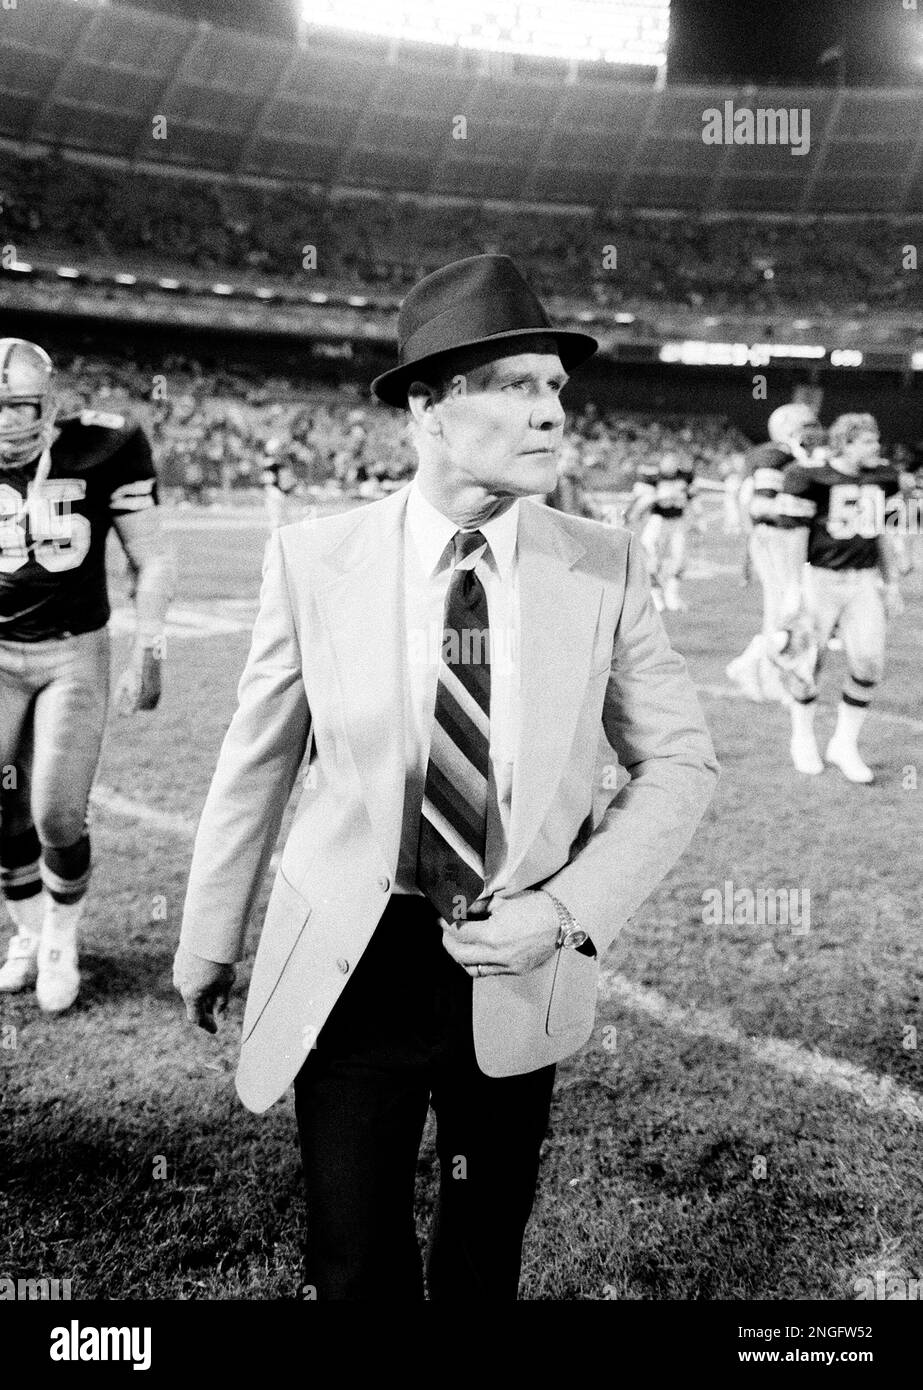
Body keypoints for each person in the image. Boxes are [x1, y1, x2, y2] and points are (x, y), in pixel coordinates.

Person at [173, 254, 718, 1301]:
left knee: (481, 1257)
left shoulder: (602, 560)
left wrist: (562, 911)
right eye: (516, 384)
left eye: (556, 387)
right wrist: (207, 936)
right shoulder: (314, 557)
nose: (551, 411)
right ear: (428, 404)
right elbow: (256, 763)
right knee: (351, 1256)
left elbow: (680, 760)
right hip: (351, 956)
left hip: (516, 954)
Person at [0, 339, 174, 1011]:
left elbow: (151, 556)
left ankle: (60, 939)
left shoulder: (105, 444)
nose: (9, 421)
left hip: (73, 650)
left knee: (56, 812)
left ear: (50, 404)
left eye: (21, 405)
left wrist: (150, 648)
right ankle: (29, 932)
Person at [774, 413, 904, 782]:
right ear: (845, 442)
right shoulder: (809, 477)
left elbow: (881, 533)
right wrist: (792, 589)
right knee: (806, 662)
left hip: (863, 582)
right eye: (867, 441)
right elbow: (795, 537)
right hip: (820, 579)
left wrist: (891, 582)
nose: (876, 447)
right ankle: (802, 737)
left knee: (868, 664)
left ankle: (844, 743)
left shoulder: (881, 478)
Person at [725, 402, 818, 701]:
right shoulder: (775, 456)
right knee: (785, 609)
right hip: (778, 537)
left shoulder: (786, 455)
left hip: (785, 538)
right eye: (809, 424)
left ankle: (755, 667)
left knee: (789, 610)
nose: (816, 430)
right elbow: (761, 504)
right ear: (789, 427)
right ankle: (762, 672)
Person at [625, 451, 696, 611]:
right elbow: (640, 501)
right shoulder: (653, 477)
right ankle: (656, 596)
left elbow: (692, 498)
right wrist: (657, 496)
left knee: (679, 557)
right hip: (658, 521)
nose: (670, 466)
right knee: (652, 556)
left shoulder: (684, 477)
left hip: (678, 521)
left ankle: (672, 595)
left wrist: (696, 520)